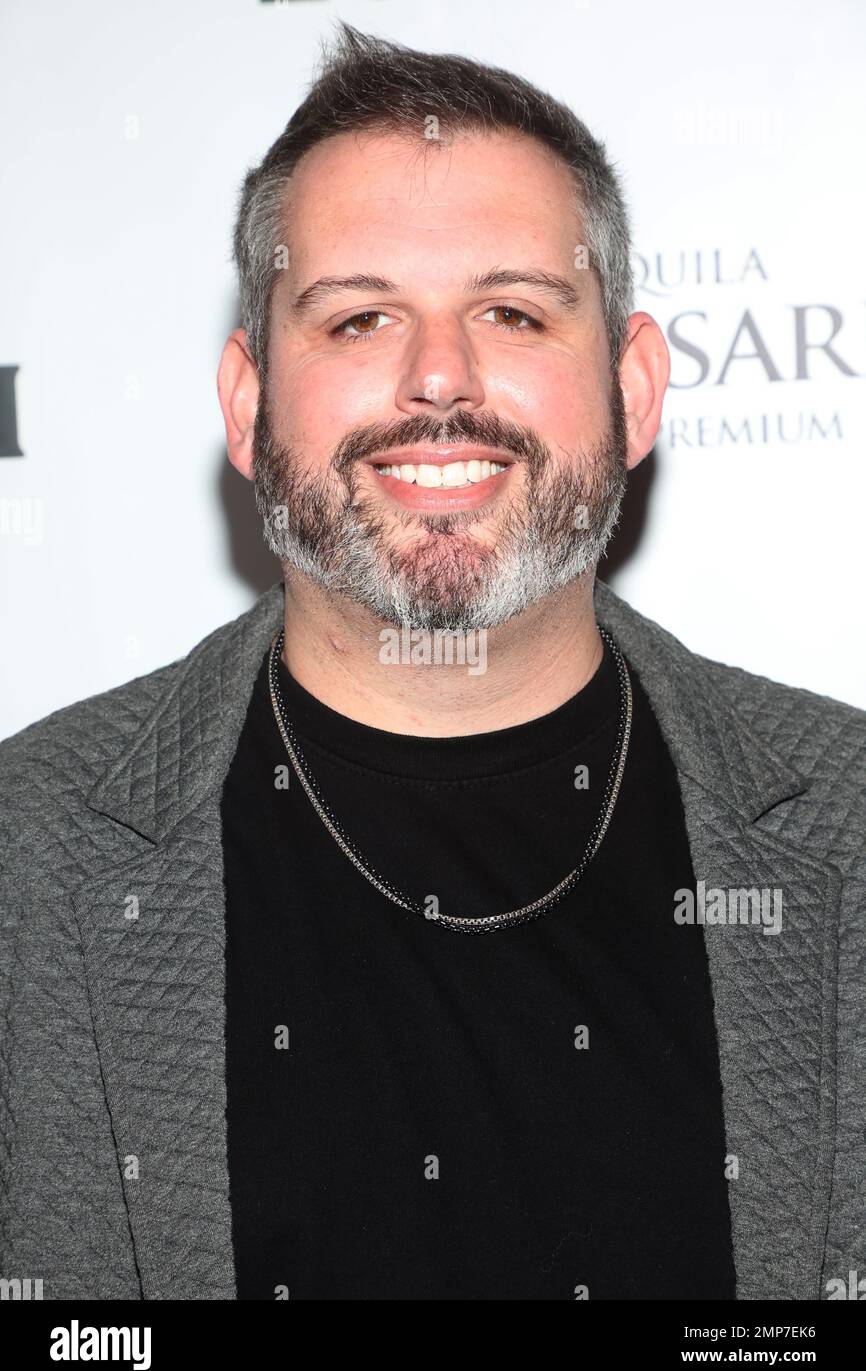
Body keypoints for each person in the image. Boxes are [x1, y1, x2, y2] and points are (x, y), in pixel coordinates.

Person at [1, 22, 863, 1302]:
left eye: (510, 311)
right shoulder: (30, 853)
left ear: (634, 386)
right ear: (247, 404)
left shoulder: (842, 828)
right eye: (357, 321)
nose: (438, 379)